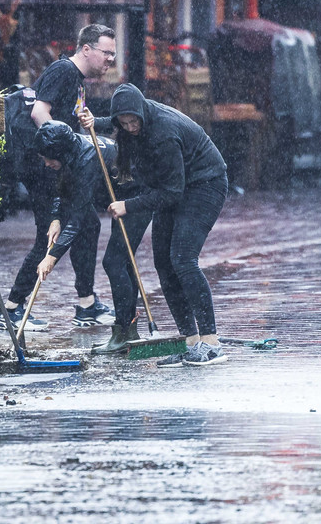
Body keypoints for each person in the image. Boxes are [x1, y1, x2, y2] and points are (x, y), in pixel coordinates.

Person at [81, 83, 229, 367]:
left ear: (143, 115)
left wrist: (129, 205)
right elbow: (116, 121)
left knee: (183, 259)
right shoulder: (128, 121)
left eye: (134, 122)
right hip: (171, 187)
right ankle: (189, 341)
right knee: (163, 263)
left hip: (204, 185)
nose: (131, 128)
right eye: (124, 124)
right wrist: (94, 122)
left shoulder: (164, 133)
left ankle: (211, 342)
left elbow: (173, 192)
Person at [0, 23, 118, 330]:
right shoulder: (63, 70)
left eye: (113, 55)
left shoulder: (77, 80)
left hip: (56, 162)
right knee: (48, 235)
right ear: (86, 49)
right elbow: (40, 113)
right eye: (107, 53)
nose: (110, 61)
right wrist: (61, 152)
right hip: (43, 164)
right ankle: (11, 308)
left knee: (87, 223)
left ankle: (86, 303)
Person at [30, 122, 145, 353]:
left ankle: (124, 331)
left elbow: (78, 218)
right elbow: (63, 190)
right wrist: (55, 218)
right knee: (121, 262)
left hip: (137, 198)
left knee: (115, 262)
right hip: (116, 200)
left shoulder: (86, 159)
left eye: (49, 158)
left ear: (60, 152)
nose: (46, 163)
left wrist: (51, 258)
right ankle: (128, 330)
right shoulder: (70, 152)